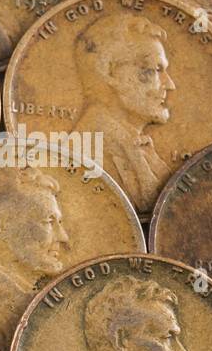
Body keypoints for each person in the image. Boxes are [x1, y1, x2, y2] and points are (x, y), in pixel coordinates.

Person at [71, 14, 175, 208]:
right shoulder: (82, 152)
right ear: (110, 73)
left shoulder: (140, 147)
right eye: (154, 70)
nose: (170, 85)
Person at [0, 166, 70, 344]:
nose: (64, 237)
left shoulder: (27, 301)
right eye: (49, 221)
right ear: (3, 227)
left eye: (59, 222)